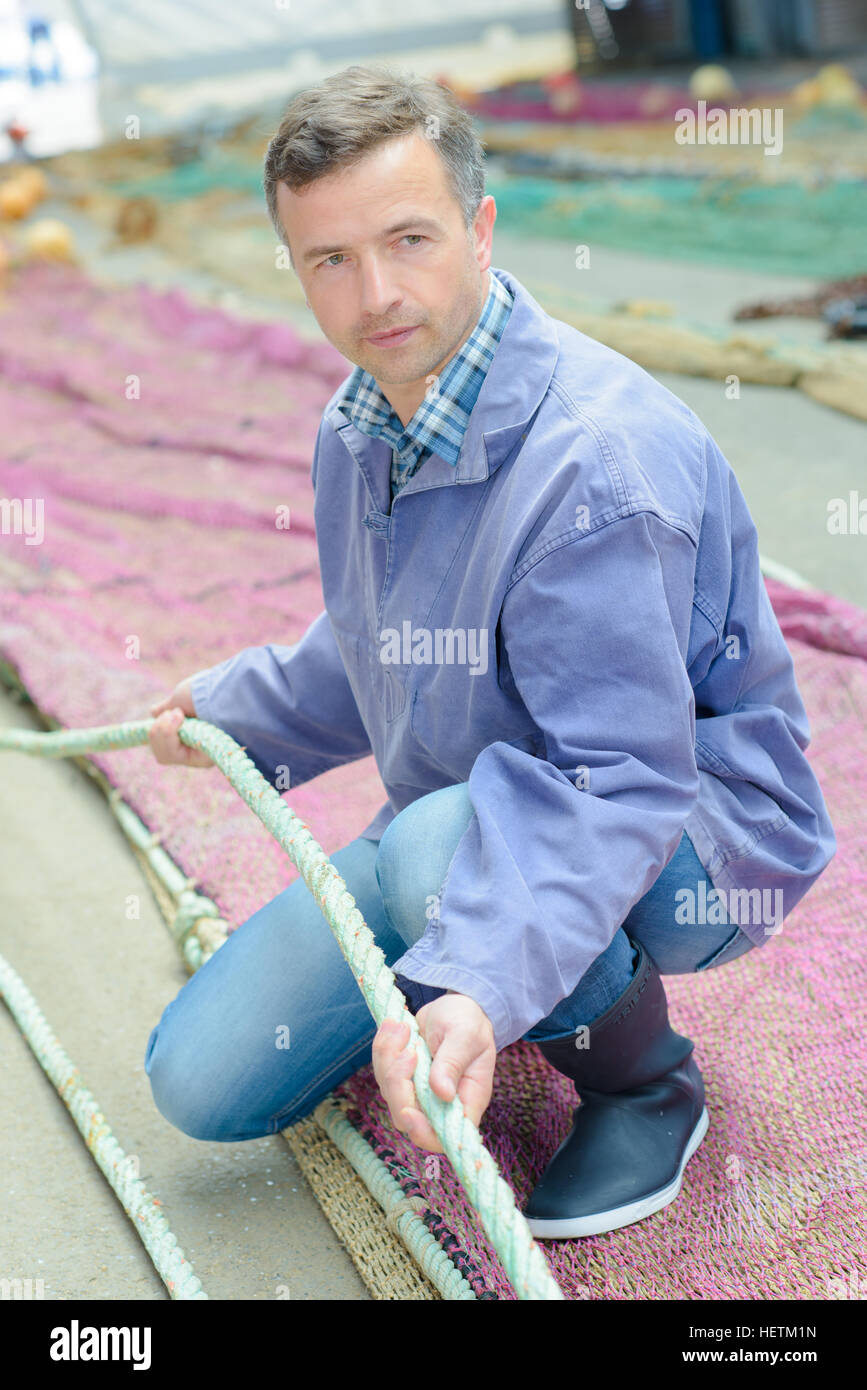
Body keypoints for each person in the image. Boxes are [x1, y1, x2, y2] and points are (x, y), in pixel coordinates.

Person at [143, 63, 836, 1240]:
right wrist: (233, 713)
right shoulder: (361, 420)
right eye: (330, 260)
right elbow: (377, 639)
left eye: (409, 239)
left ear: (480, 226)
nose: (376, 295)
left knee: (435, 856)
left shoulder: (597, 470)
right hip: (475, 809)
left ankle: (643, 1080)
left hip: (699, 832)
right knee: (200, 1081)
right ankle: (489, 938)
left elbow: (619, 782)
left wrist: (484, 981)